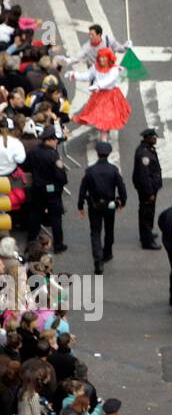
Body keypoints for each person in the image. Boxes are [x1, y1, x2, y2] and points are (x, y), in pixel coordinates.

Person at [76, 141, 126, 275]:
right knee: (109, 229)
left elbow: (83, 189)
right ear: (108, 154)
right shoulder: (114, 170)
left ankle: (98, 261)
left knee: (95, 232)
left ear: (97, 154)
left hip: (95, 205)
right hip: (110, 205)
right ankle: (107, 252)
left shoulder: (90, 171)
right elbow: (121, 188)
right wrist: (122, 202)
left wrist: (80, 205)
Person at [71, 49, 131, 143]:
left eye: (104, 57)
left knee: (106, 117)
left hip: (111, 95)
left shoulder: (114, 70)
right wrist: (75, 75)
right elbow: (87, 75)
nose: (102, 60)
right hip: (99, 95)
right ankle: (104, 134)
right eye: (100, 57)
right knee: (100, 116)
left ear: (109, 58)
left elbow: (109, 80)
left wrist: (98, 85)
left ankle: (104, 138)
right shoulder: (95, 67)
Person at [23, 126, 66, 255]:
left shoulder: (33, 152)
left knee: (35, 215)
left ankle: (31, 241)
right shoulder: (53, 155)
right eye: (55, 140)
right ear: (50, 140)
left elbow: (26, 166)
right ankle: (58, 244)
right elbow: (61, 176)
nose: (56, 142)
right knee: (55, 218)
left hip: (37, 188)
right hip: (52, 190)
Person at [131, 128, 163, 249]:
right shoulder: (144, 154)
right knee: (146, 212)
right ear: (147, 138)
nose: (155, 139)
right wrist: (150, 192)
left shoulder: (147, 148)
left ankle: (147, 233)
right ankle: (147, 241)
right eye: (153, 137)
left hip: (150, 187)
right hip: (147, 189)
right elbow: (144, 176)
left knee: (149, 212)